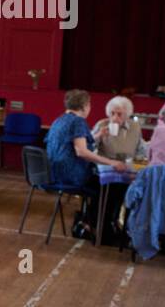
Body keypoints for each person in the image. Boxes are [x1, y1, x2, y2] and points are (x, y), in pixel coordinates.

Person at [45, 90, 129, 231]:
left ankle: (91, 221)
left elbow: (73, 144)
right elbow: (81, 151)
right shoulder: (78, 122)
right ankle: (98, 226)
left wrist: (98, 135)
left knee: (106, 183)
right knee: (113, 184)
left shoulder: (60, 120)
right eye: (89, 104)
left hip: (54, 172)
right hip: (71, 175)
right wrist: (112, 163)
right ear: (84, 106)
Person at [91, 95, 147, 162]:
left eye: (119, 114)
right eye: (112, 113)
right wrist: (99, 135)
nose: (115, 118)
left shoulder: (135, 126)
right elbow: (88, 145)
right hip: (106, 165)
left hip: (128, 166)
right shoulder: (102, 124)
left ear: (127, 115)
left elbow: (141, 149)